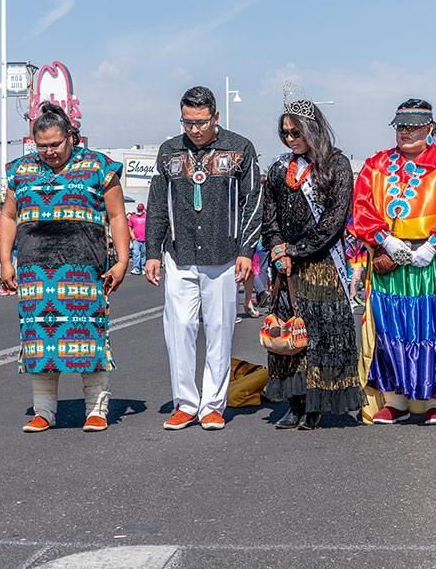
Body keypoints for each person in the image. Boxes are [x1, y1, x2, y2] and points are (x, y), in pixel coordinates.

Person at [0, 102, 128, 433]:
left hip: (85, 269)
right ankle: (44, 411)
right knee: (41, 344)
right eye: (42, 146)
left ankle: (96, 409)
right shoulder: (20, 170)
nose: (50, 152)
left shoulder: (100, 166)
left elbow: (116, 216)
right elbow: (8, 217)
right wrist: (4, 261)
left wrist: (123, 261)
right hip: (35, 270)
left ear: (72, 136)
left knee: (91, 342)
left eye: (55, 144)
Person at [350, 99, 436, 425]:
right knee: (393, 329)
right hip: (393, 262)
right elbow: (363, 207)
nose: (406, 133)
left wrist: (434, 243)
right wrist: (386, 240)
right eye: (400, 127)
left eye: (413, 126)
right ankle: (395, 400)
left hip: (434, 263)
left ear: (429, 128)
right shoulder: (376, 164)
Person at [144, 86, 262, 432]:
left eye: (201, 122)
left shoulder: (239, 149)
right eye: (187, 122)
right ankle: (184, 403)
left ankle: (212, 404)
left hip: (223, 256)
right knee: (178, 331)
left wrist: (246, 250)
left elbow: (253, 203)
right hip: (179, 256)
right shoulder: (169, 152)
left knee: (219, 330)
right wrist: (152, 252)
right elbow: (156, 205)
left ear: (215, 117)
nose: (194, 129)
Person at [261, 99, 361, 430]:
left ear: (313, 128)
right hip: (286, 268)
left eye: (296, 132)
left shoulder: (336, 165)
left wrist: (296, 248)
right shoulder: (278, 168)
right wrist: (277, 248)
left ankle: (318, 405)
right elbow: (270, 215)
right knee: (290, 337)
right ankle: (295, 402)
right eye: (285, 133)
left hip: (321, 264)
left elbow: (334, 220)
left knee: (321, 336)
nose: (290, 138)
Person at [127, 205, 147, 275]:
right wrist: (132, 236)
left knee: (143, 254)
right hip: (136, 239)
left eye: (141, 210)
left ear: (143, 209)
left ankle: (143, 268)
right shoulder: (133, 217)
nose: (139, 211)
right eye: (138, 209)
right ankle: (136, 268)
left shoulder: (146, 217)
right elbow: (129, 226)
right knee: (136, 254)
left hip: (145, 238)